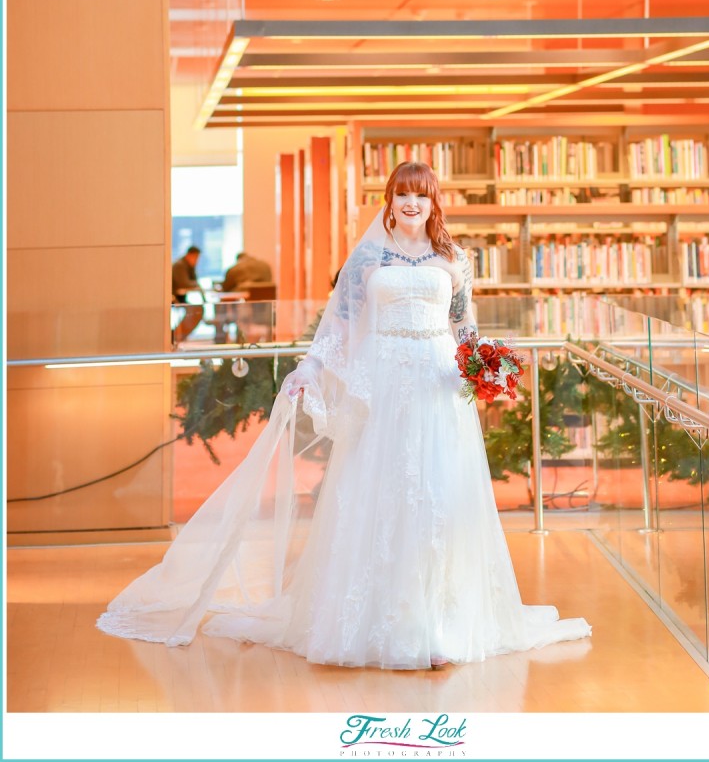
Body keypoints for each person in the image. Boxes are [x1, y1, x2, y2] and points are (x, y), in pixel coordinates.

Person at [98, 163, 590, 668]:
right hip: (383, 384)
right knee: (381, 491)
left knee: (438, 494)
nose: (411, 204)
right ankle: (378, 618)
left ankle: (440, 622)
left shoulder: (454, 258)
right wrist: (310, 366)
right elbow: (339, 324)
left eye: (421, 195)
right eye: (403, 194)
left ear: (433, 201)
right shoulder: (368, 257)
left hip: (437, 387)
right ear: (390, 200)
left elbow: (463, 325)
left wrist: (489, 364)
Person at [171, 245, 205, 346]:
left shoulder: (187, 266)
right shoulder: (180, 265)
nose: (197, 260)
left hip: (180, 298)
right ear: (190, 255)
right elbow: (184, 283)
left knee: (197, 310)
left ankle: (177, 337)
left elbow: (193, 281)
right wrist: (196, 284)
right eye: (196, 258)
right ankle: (175, 336)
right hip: (175, 299)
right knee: (196, 311)